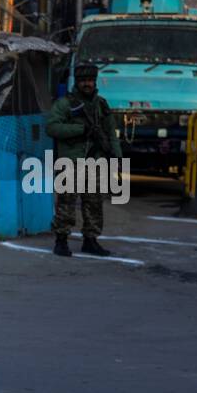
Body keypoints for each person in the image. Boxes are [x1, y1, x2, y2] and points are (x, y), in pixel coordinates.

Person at [46, 62, 120, 256]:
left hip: (95, 161)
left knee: (94, 203)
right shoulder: (66, 104)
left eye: (90, 80)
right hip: (71, 160)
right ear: (77, 82)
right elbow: (52, 127)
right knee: (66, 203)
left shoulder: (101, 104)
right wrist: (81, 130)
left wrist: (117, 156)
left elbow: (110, 131)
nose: (87, 84)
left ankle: (91, 240)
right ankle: (61, 240)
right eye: (83, 81)